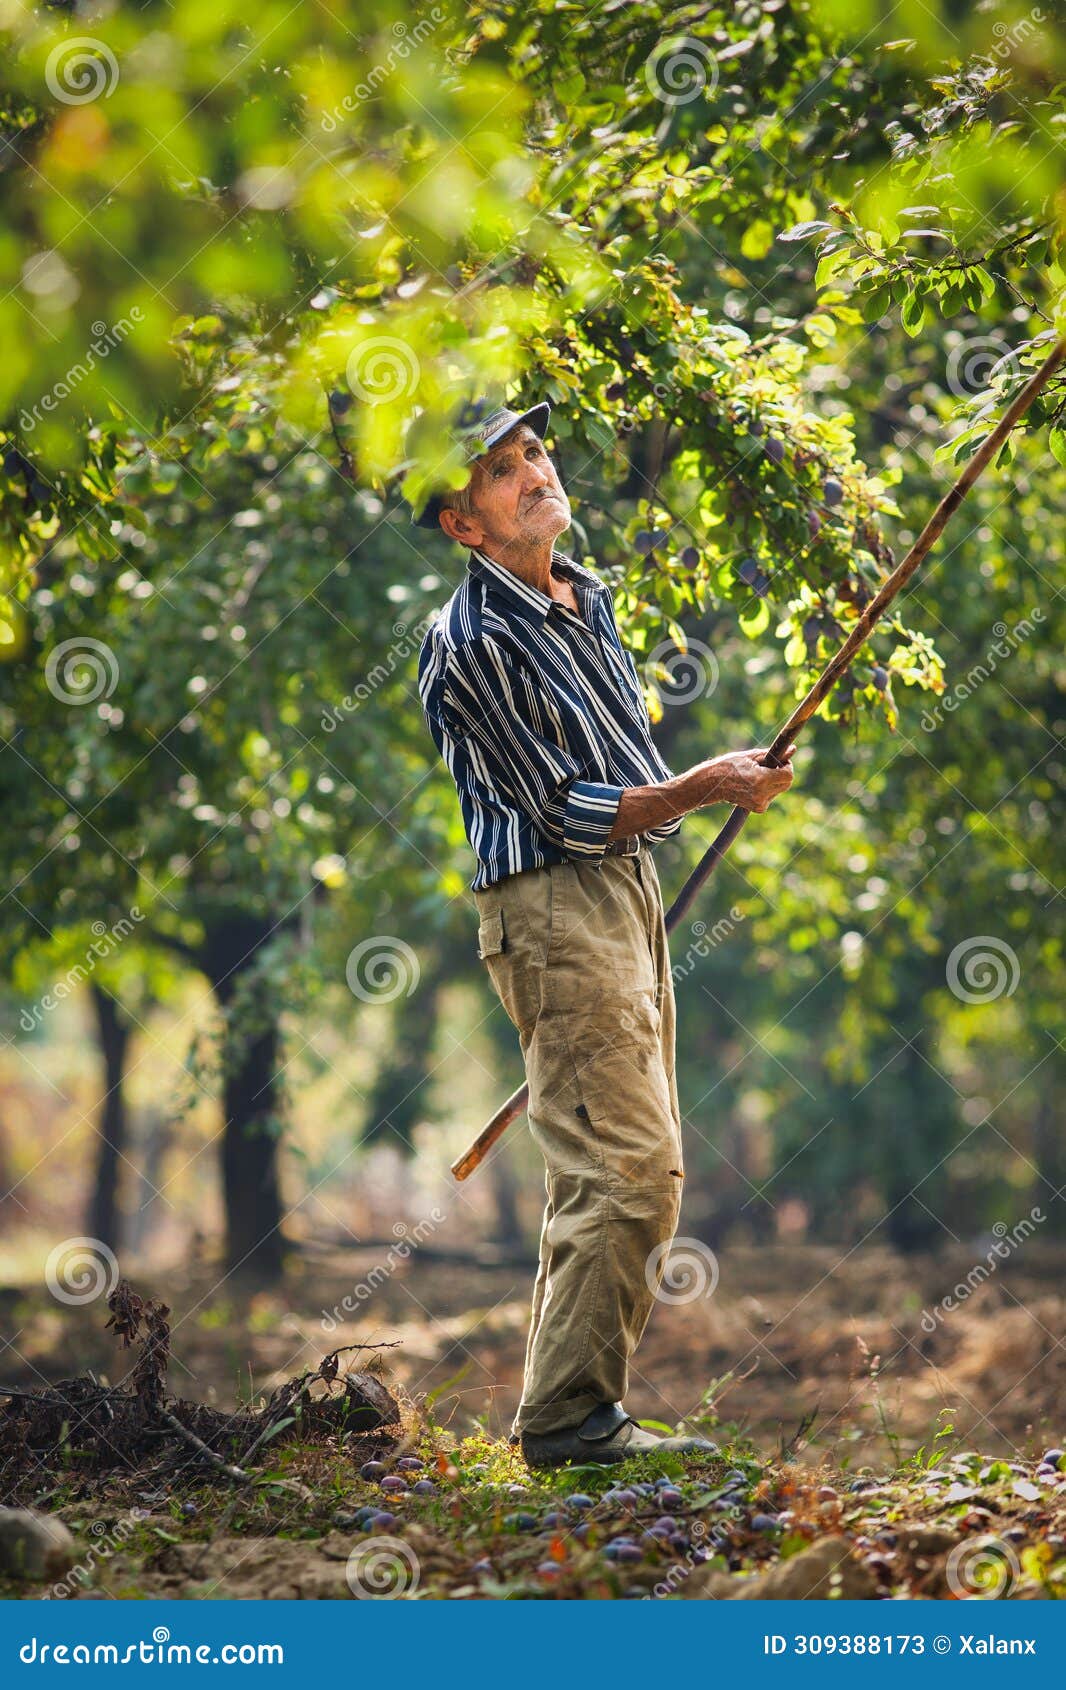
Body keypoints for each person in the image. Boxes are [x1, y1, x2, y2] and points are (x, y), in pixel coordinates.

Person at [414, 399, 795, 1467]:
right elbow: (564, 806)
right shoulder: (473, 641)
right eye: (501, 470)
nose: (534, 472)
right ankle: (571, 1429)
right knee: (629, 1169)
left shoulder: (587, 600)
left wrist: (702, 787)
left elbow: (622, 775)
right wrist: (703, 785)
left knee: (614, 1169)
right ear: (463, 525)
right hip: (550, 899)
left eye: (534, 452)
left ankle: (566, 1415)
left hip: (619, 890)